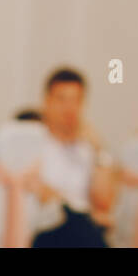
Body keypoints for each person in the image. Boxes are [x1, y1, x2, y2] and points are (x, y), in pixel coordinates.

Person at [25, 68, 116, 247]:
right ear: (46, 101)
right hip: (46, 227)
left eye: (76, 100)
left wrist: (99, 150)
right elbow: (32, 187)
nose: (69, 108)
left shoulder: (87, 148)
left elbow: (104, 203)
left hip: (84, 229)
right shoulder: (34, 142)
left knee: (84, 226)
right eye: (62, 100)